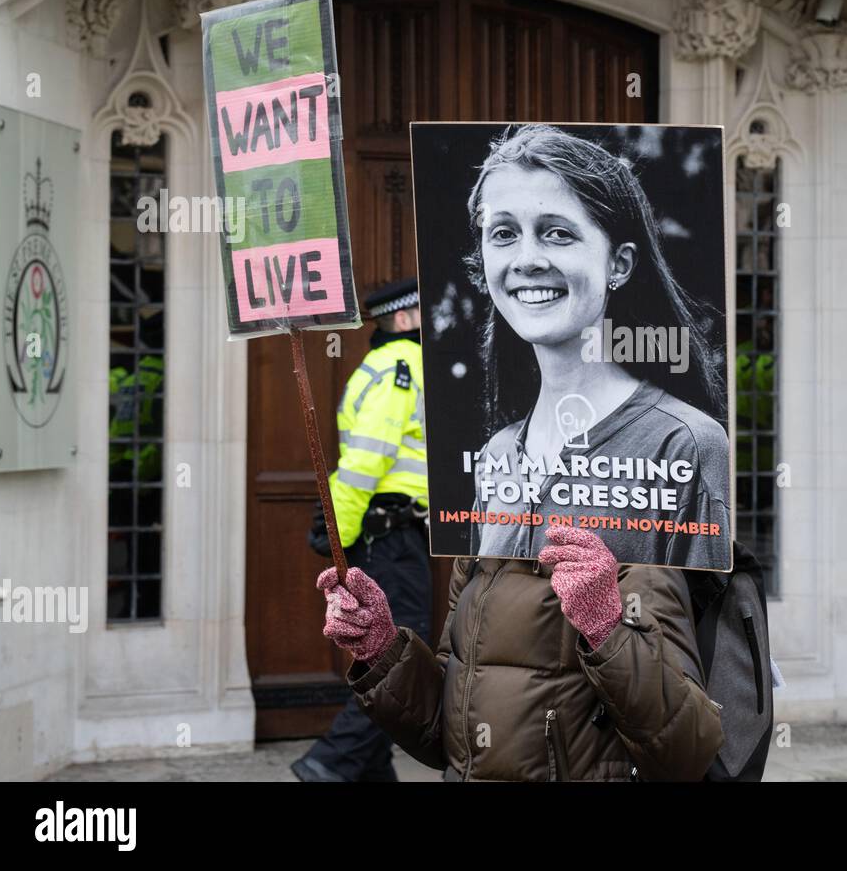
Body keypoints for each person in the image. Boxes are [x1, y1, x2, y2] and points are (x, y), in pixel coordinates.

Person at [461, 125, 731, 570]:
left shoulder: (685, 445)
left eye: (558, 234)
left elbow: (706, 639)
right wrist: (388, 641)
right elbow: (469, 637)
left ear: (619, 264)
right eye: (504, 233)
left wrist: (607, 621)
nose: (527, 259)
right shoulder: (497, 455)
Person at [315, 524, 725, 781]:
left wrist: (606, 629)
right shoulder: (484, 546)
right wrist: (383, 650)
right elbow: (448, 736)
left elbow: (687, 753)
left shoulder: (640, 548)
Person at [291, 277, 433, 782]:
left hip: (388, 531)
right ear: (403, 320)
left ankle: (370, 772)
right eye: (423, 313)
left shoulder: (377, 365)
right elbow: (367, 461)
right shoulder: (403, 365)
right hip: (390, 533)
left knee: (384, 651)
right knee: (400, 655)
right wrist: (339, 535)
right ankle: (335, 759)